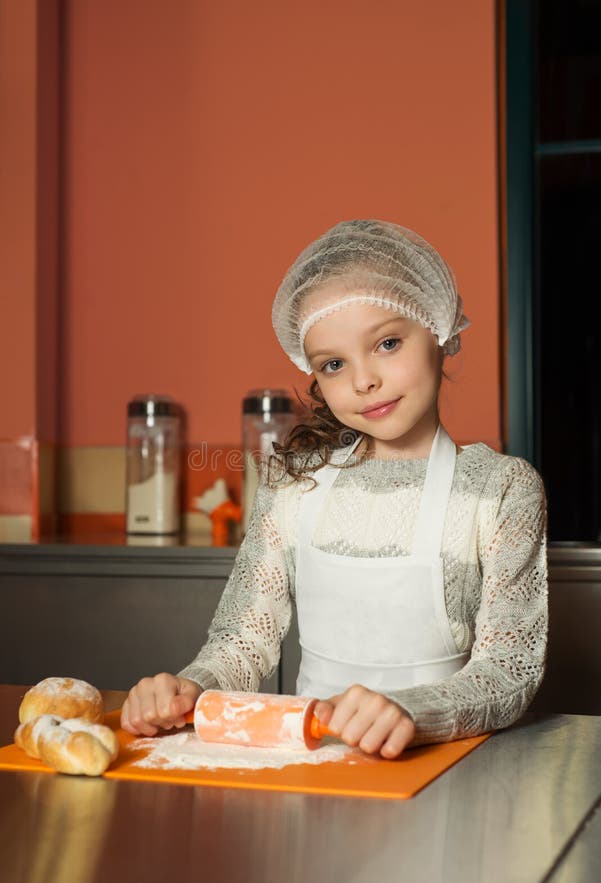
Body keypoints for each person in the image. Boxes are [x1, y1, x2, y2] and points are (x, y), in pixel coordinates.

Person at [121, 219, 548, 759]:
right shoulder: (292, 485)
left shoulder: (500, 490)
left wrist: (412, 712)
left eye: (387, 343)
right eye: (334, 364)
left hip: (442, 767)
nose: (363, 381)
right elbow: (243, 641)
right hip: (311, 764)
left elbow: (509, 671)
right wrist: (190, 688)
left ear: (439, 329)